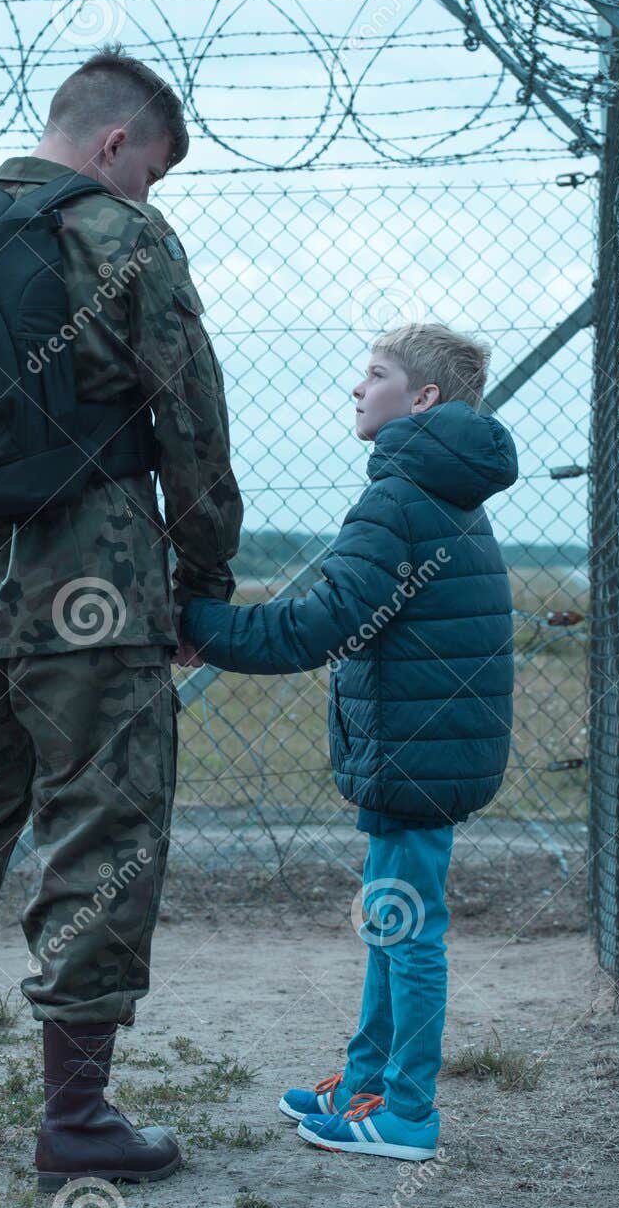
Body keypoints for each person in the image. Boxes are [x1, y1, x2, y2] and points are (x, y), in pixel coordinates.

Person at [0, 46, 242, 1186]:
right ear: (114, 144)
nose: (146, 191)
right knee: (101, 841)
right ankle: (75, 1121)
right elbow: (191, 423)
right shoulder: (124, 239)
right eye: (149, 170)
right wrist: (201, 582)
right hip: (97, 595)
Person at [181, 321, 516, 1163]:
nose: (356, 388)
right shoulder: (440, 489)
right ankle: (367, 1081)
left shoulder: (397, 498)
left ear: (422, 398)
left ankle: (406, 1113)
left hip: (416, 751)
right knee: (390, 921)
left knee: (409, 929)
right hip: (424, 748)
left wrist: (196, 626)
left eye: (374, 374)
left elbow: (314, 626)